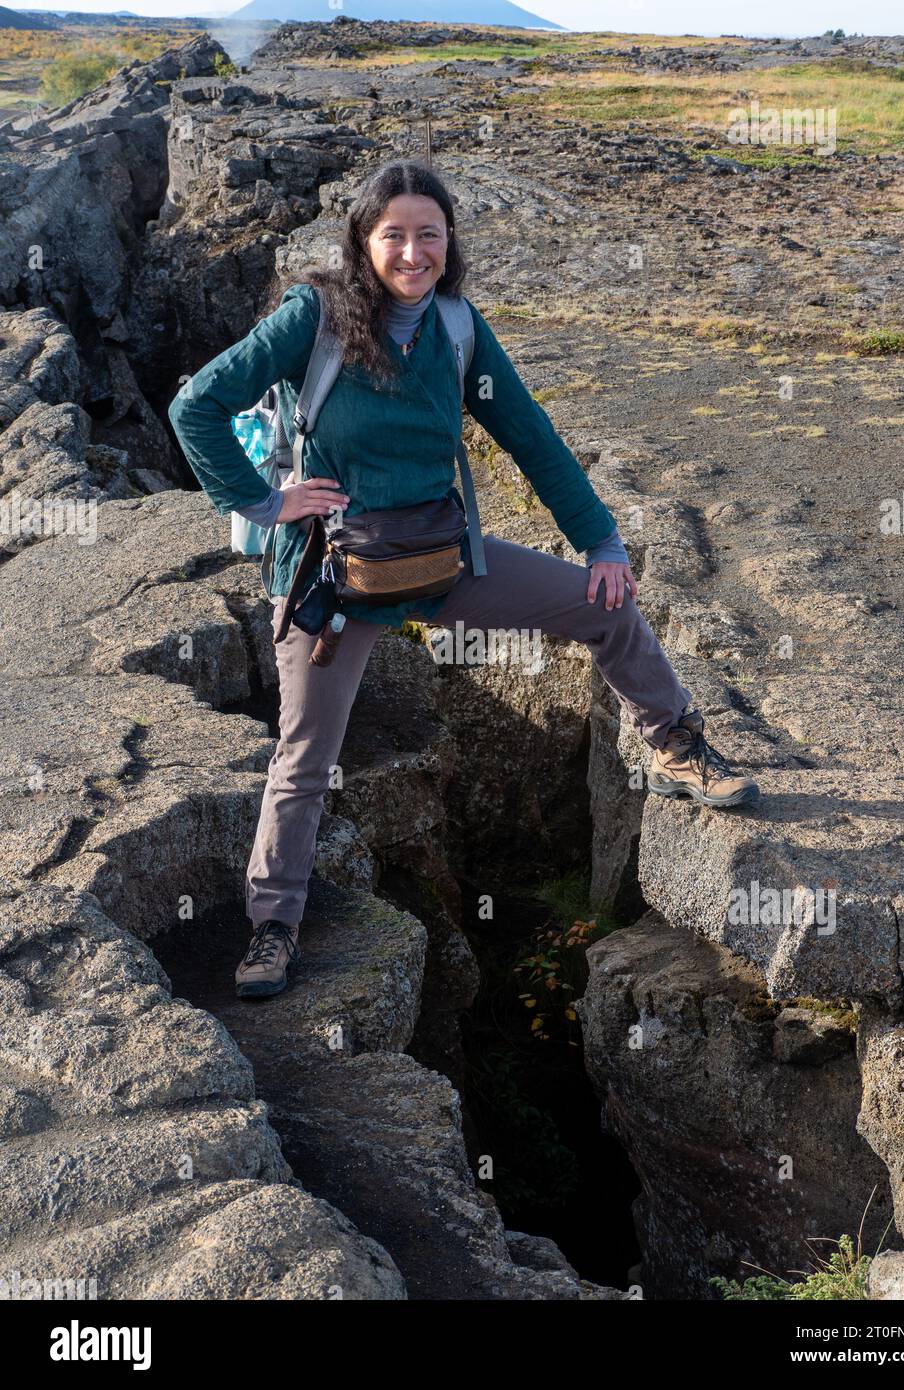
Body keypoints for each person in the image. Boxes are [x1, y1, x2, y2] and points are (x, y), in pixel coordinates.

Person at [168, 159, 759, 1000]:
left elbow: (531, 437)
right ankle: (273, 927)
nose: (413, 252)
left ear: (448, 243)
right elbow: (196, 405)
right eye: (394, 235)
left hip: (442, 563)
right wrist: (263, 500)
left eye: (429, 235)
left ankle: (674, 744)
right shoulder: (315, 317)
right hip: (332, 577)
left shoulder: (455, 328)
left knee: (608, 607)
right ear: (363, 241)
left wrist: (601, 543)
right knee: (304, 755)